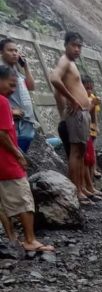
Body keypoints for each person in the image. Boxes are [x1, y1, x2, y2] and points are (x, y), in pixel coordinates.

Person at [0, 65, 54, 255]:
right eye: (11, 84)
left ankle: (12, 240)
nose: (13, 89)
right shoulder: (2, 102)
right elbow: (2, 134)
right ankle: (30, 240)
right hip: (7, 162)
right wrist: (18, 154)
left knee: (4, 204)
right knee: (24, 200)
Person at [49, 31, 93, 204]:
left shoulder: (72, 64)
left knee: (81, 152)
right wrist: (72, 99)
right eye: (74, 45)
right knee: (75, 152)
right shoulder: (64, 61)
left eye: (79, 46)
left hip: (82, 113)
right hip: (75, 114)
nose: (77, 49)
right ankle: (75, 191)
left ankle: (81, 189)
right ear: (65, 45)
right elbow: (54, 78)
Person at [0, 37, 36, 154]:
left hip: (27, 121)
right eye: (10, 50)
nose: (14, 53)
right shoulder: (2, 72)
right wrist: (10, 111)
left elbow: (31, 86)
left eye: (16, 50)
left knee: (22, 154)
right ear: (1, 52)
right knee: (13, 154)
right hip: (14, 122)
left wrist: (25, 66)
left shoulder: (17, 72)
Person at [81, 75, 100, 197]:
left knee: (91, 156)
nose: (90, 91)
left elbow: (93, 117)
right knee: (85, 159)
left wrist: (96, 127)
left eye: (91, 88)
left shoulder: (92, 98)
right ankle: (87, 186)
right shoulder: (81, 99)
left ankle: (91, 182)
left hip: (90, 130)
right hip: (83, 131)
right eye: (87, 88)